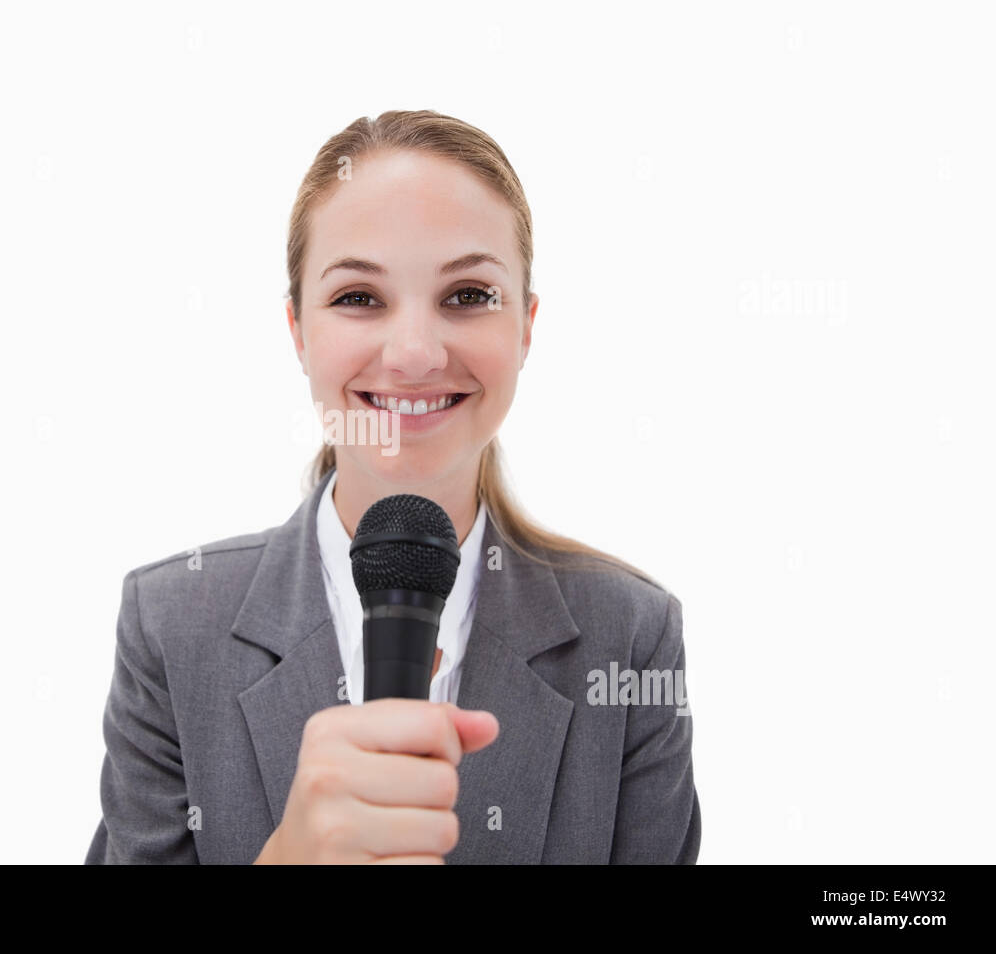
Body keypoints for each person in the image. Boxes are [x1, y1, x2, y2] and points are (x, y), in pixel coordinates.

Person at [85, 110, 701, 864]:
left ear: (526, 327)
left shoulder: (630, 639)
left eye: (469, 295)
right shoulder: (172, 627)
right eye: (358, 298)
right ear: (298, 332)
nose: (413, 353)